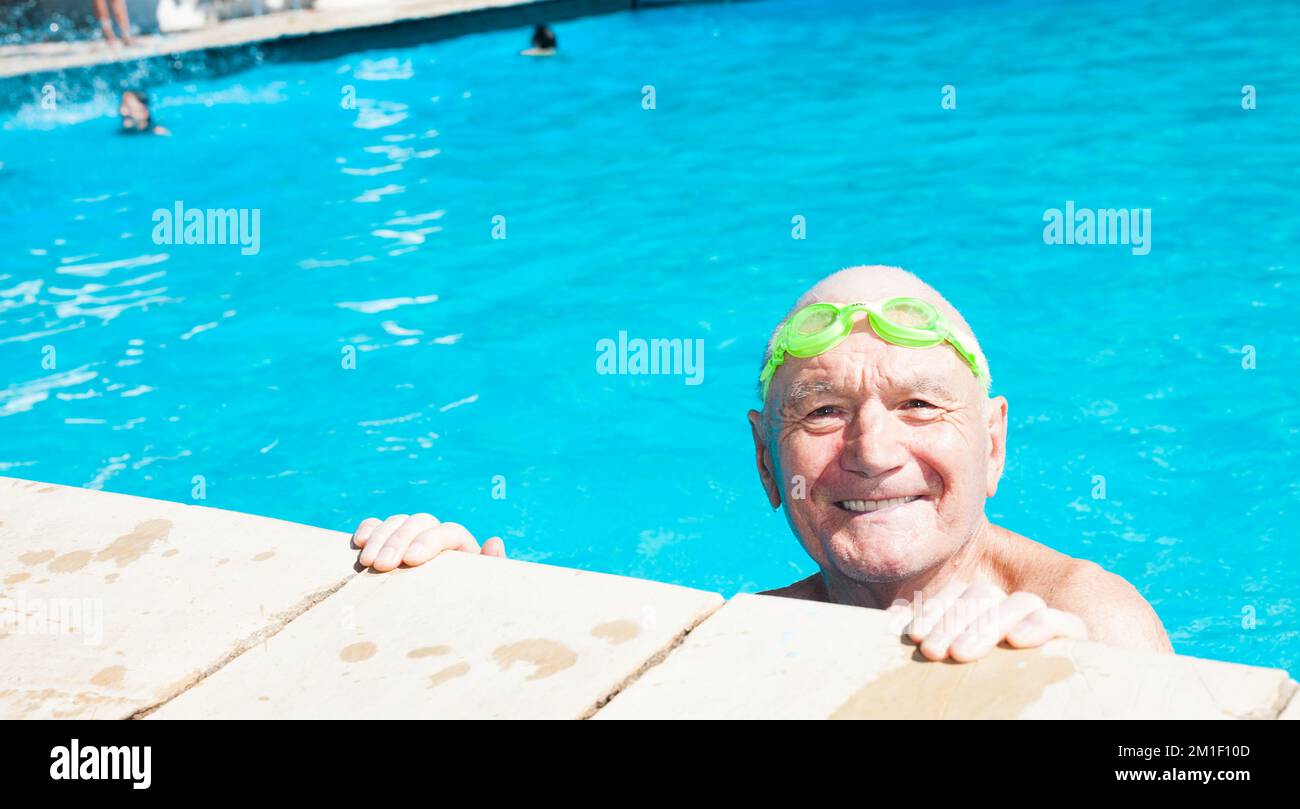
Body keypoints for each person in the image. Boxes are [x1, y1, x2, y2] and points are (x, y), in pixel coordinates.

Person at [350, 265, 1174, 662]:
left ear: (993, 445)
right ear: (765, 460)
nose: (874, 452)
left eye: (920, 405)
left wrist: (1080, 690)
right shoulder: (745, 637)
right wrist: (467, 614)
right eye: (822, 412)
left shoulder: (1092, 618)